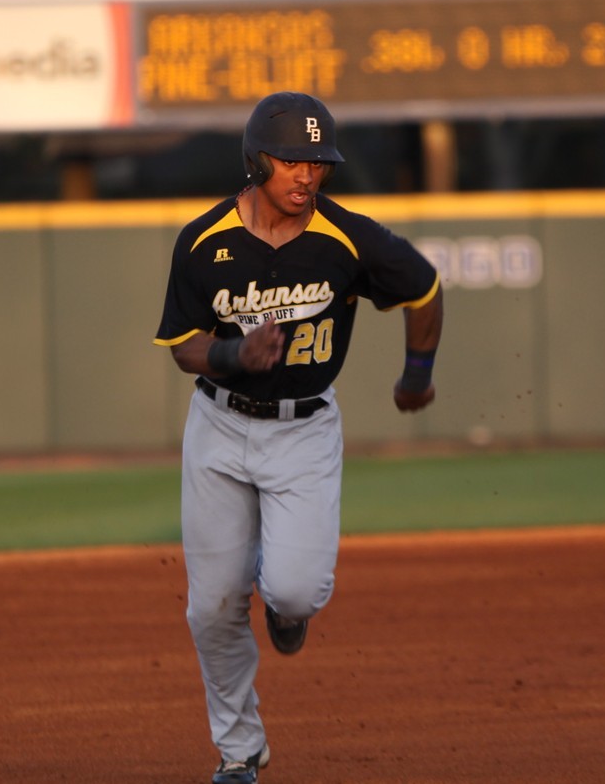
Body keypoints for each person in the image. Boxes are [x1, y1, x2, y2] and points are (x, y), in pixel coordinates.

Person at [154, 92, 443, 784]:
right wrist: (231, 355)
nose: (307, 174)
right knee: (212, 605)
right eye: (292, 159)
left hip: (305, 428)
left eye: (319, 162)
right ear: (256, 160)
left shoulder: (348, 237)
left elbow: (424, 287)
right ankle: (238, 751)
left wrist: (417, 373)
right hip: (220, 426)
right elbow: (182, 344)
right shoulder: (204, 239)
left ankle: (282, 596)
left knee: (294, 592)